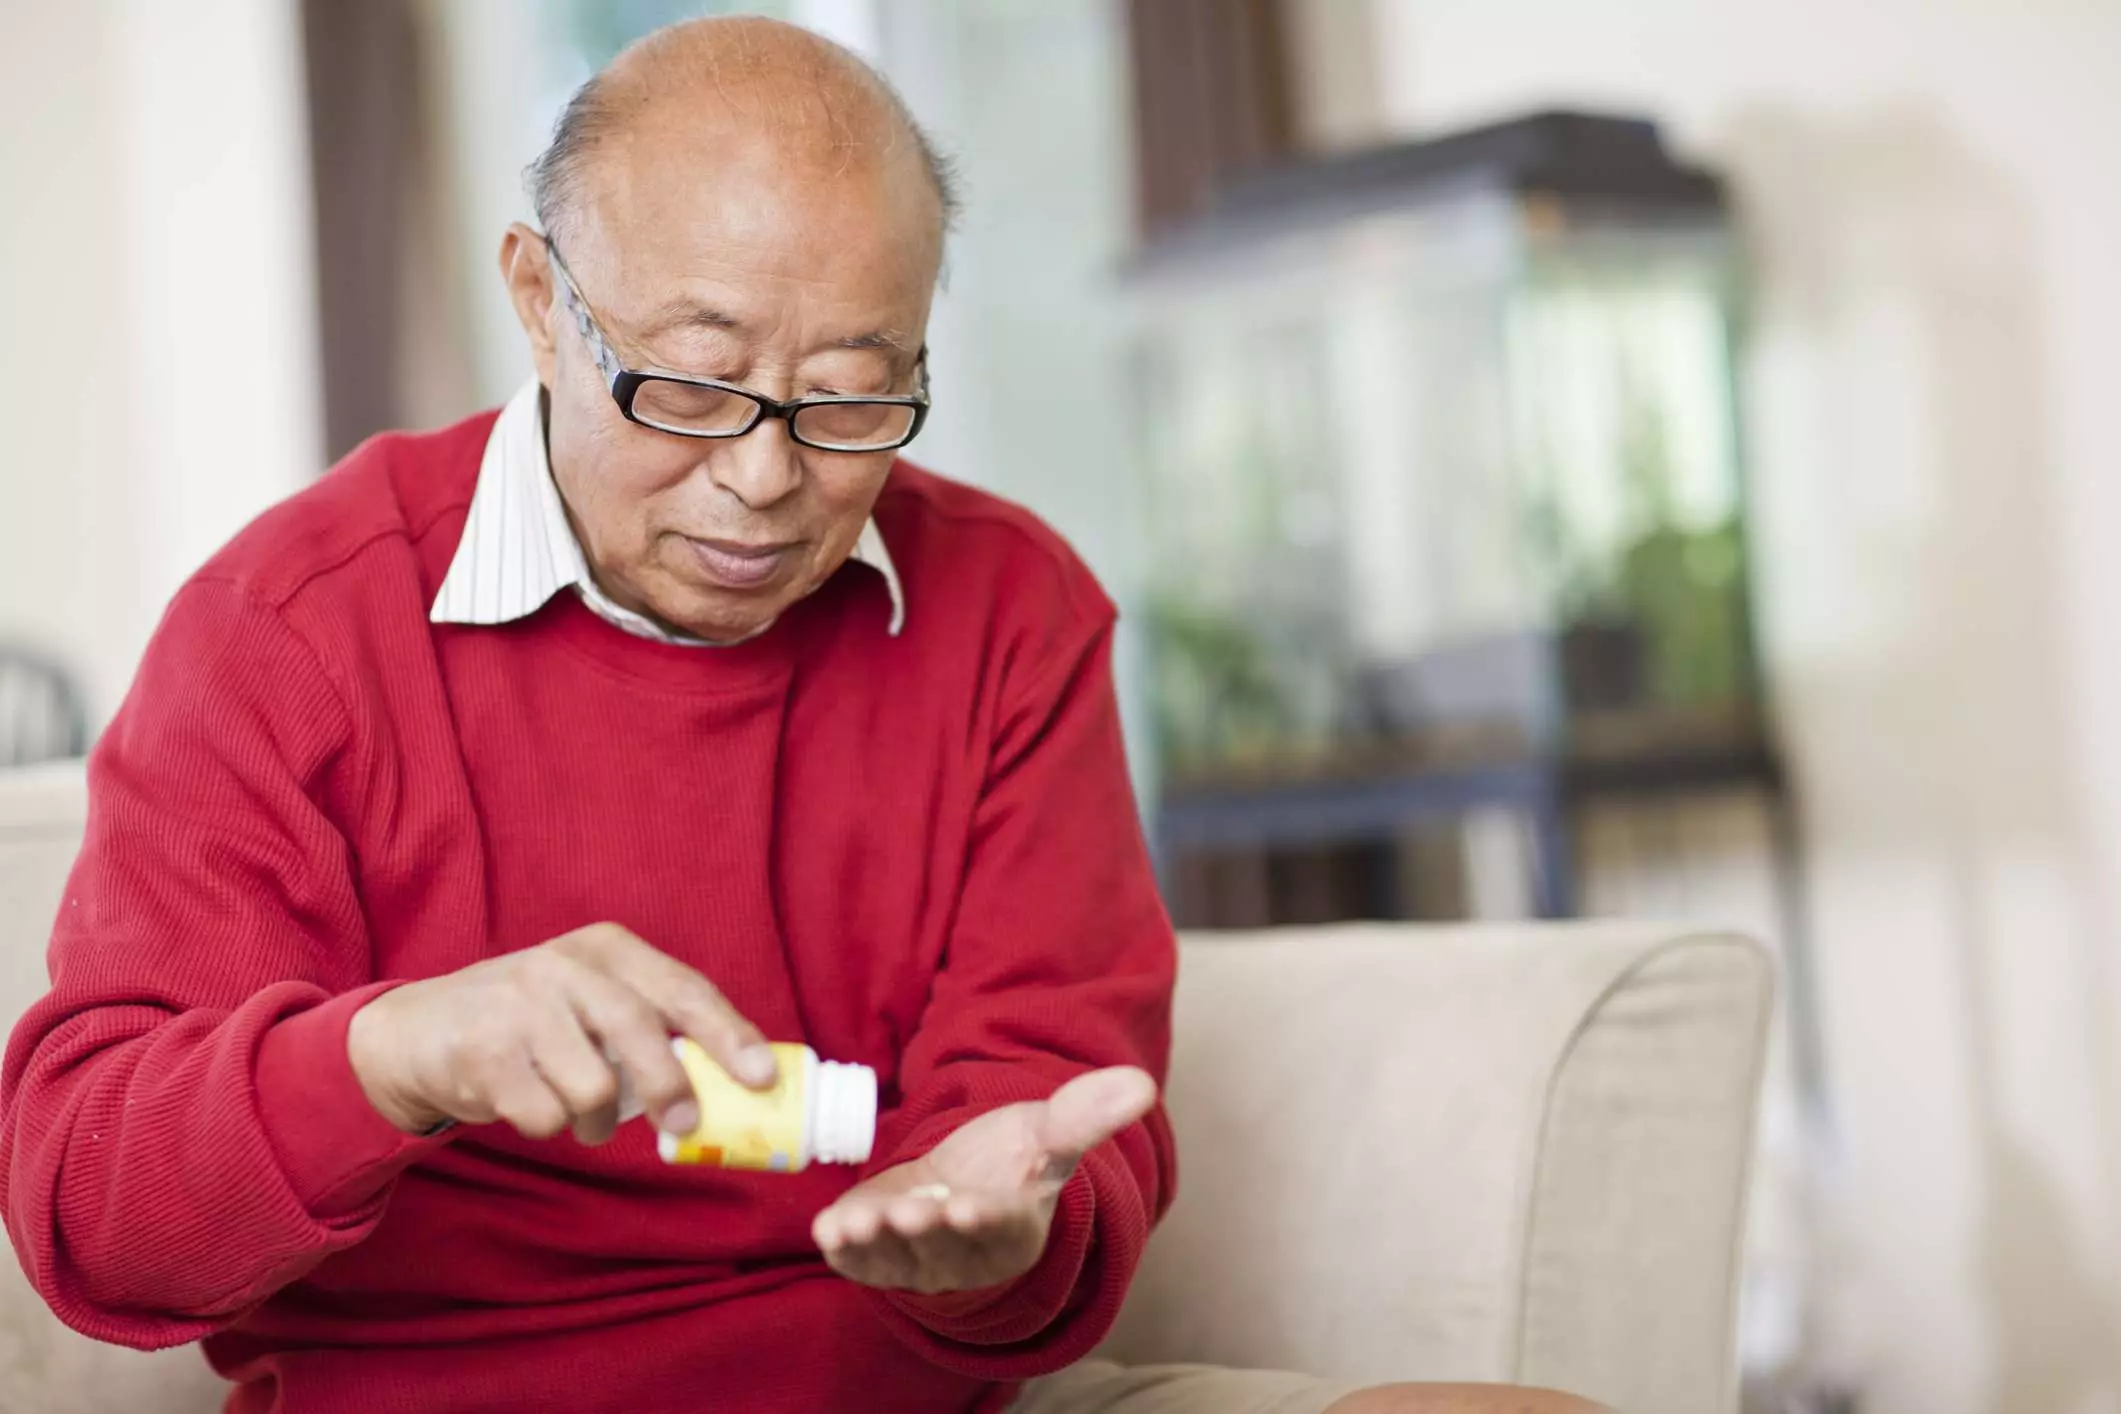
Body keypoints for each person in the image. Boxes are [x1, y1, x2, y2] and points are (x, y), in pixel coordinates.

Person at [0, 16, 1607, 1414]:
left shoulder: (1009, 614)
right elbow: (90, 1205)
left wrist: (999, 1238)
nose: (769, 478)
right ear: (542, 303)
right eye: (691, 383)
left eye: (853, 393)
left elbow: (1046, 1101)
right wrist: (393, 1052)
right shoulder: (293, 630)